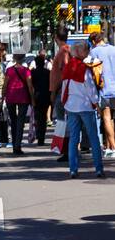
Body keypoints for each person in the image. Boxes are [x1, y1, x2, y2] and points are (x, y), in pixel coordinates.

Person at [61, 38, 104, 178]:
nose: (88, 51)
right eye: (86, 49)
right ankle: (98, 168)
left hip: (72, 106)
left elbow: (64, 87)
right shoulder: (84, 68)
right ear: (80, 52)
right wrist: (96, 104)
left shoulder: (68, 67)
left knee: (73, 139)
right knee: (93, 138)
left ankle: (73, 169)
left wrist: (64, 103)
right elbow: (90, 89)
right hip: (85, 106)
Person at [89, 29, 115, 160]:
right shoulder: (114, 49)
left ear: (94, 41)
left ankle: (113, 148)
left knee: (106, 118)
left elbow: (92, 73)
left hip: (105, 90)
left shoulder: (94, 52)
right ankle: (109, 146)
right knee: (111, 120)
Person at [3, 49, 34, 155]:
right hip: (23, 98)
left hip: (10, 97)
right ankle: (17, 145)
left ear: (15, 58)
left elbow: (5, 84)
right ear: (24, 58)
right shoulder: (26, 71)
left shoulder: (9, 70)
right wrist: (32, 99)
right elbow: (30, 86)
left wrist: (3, 96)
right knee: (20, 122)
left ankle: (14, 143)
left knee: (13, 121)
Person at [50, 31, 72, 164]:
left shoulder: (63, 51)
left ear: (56, 37)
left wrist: (54, 91)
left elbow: (64, 70)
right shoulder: (66, 50)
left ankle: (66, 150)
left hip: (61, 90)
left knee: (62, 121)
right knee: (65, 120)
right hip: (63, 90)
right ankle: (67, 150)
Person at [30, 52, 51, 146]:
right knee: (43, 118)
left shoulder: (33, 72)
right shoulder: (47, 72)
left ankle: (39, 135)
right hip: (46, 96)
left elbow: (31, 85)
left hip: (36, 96)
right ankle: (42, 136)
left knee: (38, 117)